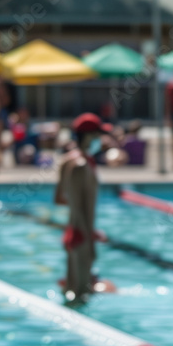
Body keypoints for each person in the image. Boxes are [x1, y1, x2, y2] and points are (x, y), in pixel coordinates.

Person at [54, 113, 109, 301]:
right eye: (97, 135)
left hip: (75, 232)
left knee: (73, 290)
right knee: (80, 296)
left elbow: (60, 199)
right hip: (81, 236)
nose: (100, 140)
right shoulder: (81, 165)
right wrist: (89, 240)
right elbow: (80, 208)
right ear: (88, 137)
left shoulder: (68, 161)